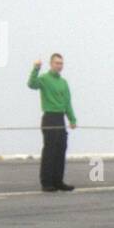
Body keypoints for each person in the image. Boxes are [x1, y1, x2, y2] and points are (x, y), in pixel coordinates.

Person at [28, 54, 77, 191]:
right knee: (50, 150)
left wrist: (72, 119)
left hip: (60, 118)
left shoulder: (63, 82)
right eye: (56, 63)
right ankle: (46, 182)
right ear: (51, 64)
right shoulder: (44, 79)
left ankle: (58, 181)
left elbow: (67, 103)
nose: (59, 66)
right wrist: (36, 68)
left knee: (61, 149)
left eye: (61, 63)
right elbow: (31, 84)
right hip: (49, 117)